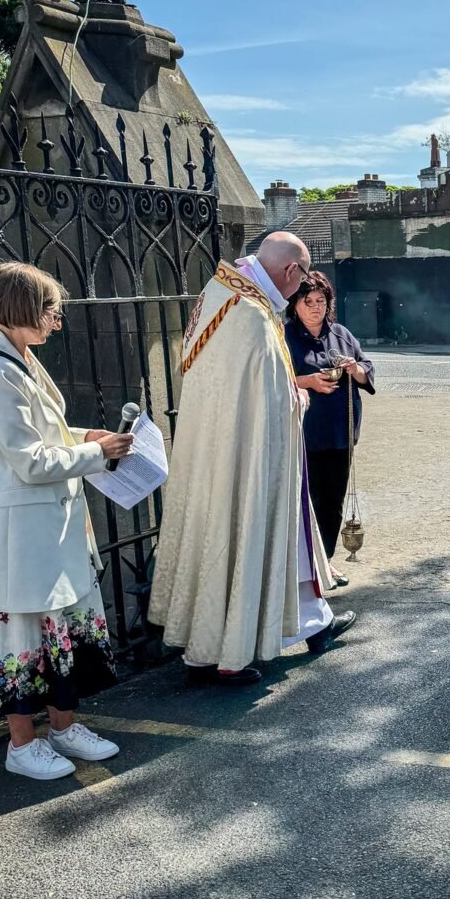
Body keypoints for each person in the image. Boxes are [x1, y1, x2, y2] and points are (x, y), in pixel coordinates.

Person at [149, 232, 356, 687]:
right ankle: (231, 654)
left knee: (229, 536)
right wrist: (299, 401)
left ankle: (299, 626)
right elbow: (271, 402)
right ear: (289, 272)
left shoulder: (220, 291)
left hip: (213, 450)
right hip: (250, 456)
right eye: (300, 279)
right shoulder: (253, 317)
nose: (299, 290)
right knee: (249, 534)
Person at [0, 263, 135, 781]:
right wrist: (98, 455)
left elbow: (45, 431)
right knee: (25, 637)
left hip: (47, 528)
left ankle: (62, 727)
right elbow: (27, 460)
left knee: (62, 630)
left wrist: (82, 437)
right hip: (22, 536)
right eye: (52, 309)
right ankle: (21, 744)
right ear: (22, 307)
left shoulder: (20, 356)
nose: (57, 320)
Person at [284, 271, 375, 585]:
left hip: (340, 433)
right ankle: (303, 565)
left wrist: (356, 369)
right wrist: (307, 381)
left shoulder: (341, 334)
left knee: (333, 501)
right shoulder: (284, 337)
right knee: (306, 501)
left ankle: (326, 562)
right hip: (304, 435)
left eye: (320, 301)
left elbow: (367, 370)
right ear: (295, 304)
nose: (314, 308)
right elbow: (271, 378)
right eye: (307, 301)